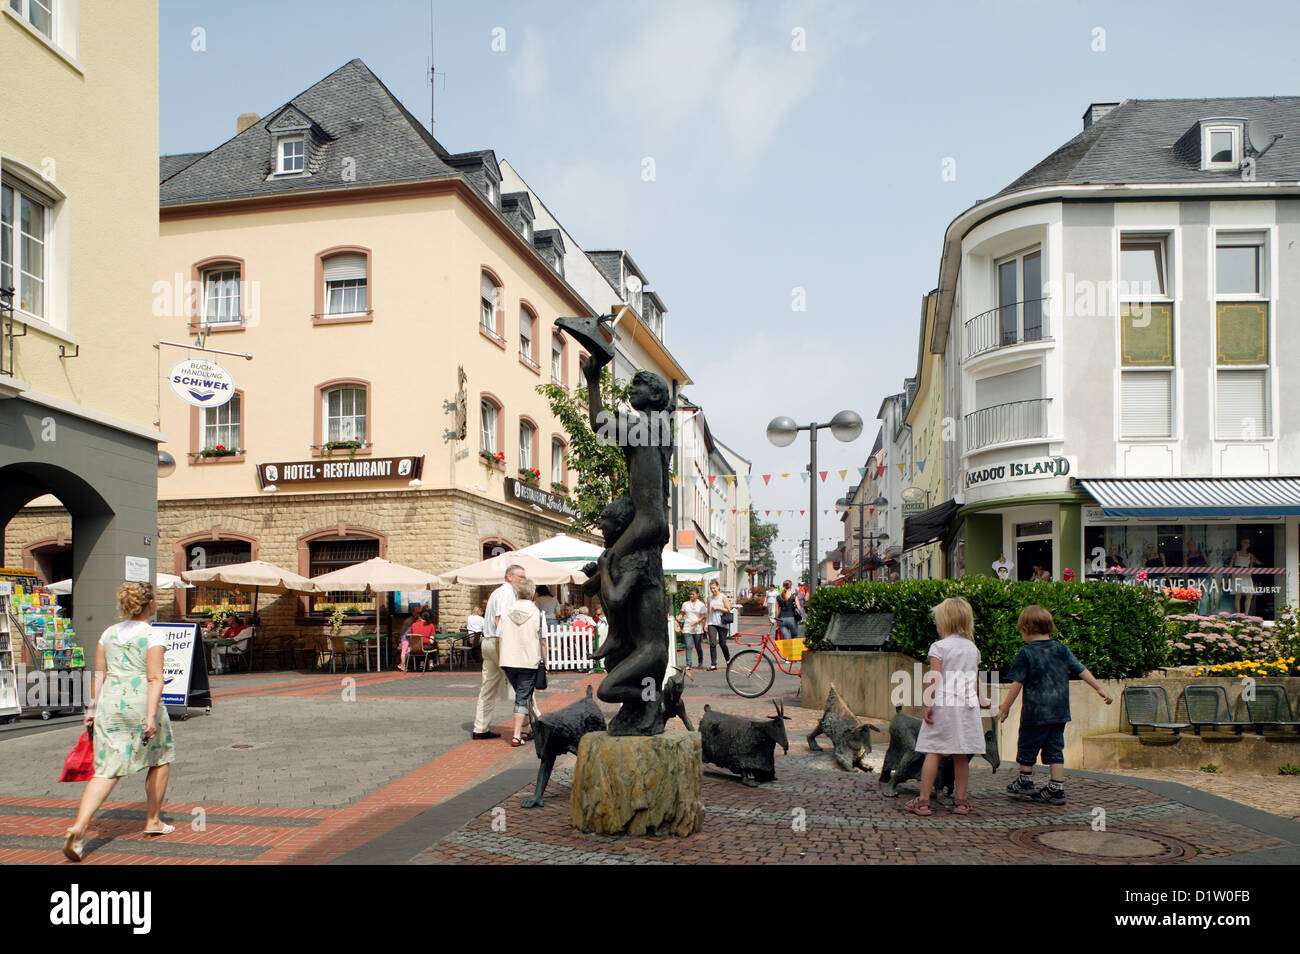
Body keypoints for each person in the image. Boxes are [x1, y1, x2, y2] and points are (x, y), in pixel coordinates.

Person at [63, 582, 176, 862]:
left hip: (110, 705)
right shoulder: (153, 636)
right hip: (140, 704)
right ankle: (153, 820)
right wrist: (150, 716)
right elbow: (154, 679)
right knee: (160, 758)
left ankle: (80, 827)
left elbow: (98, 675)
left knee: (106, 769)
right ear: (151, 604)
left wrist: (91, 710)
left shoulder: (108, 634)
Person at [998, 605, 1113, 805]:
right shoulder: (1061, 649)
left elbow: (1017, 683)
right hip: (1059, 711)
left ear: (1024, 629)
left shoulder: (1026, 653)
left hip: (1035, 713)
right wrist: (1099, 688)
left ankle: (1025, 781)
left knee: (1027, 745)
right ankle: (1056, 787)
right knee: (1055, 749)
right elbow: (1080, 669)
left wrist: (1005, 707)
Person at [904, 597, 992, 817]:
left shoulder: (939, 647)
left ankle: (923, 802)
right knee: (961, 755)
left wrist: (928, 704)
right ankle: (961, 801)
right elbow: (975, 679)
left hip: (944, 704)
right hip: (966, 706)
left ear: (944, 622)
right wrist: (983, 700)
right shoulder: (972, 649)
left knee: (932, 752)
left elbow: (934, 678)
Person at [472, 564, 529, 740]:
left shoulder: (498, 592)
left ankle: (480, 728)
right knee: (524, 683)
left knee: (487, 687)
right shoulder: (506, 593)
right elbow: (500, 621)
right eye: (521, 576)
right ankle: (534, 725)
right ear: (510, 576)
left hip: (487, 642)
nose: (523, 580)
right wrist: (510, 645)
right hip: (498, 643)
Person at [498, 578, 547, 747]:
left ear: (517, 593)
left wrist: (500, 657)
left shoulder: (505, 612)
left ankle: (531, 727)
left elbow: (499, 637)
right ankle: (517, 734)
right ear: (533, 594)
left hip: (508, 660)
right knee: (522, 697)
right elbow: (543, 641)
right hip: (528, 660)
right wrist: (545, 662)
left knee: (524, 695)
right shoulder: (537, 614)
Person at [676, 588, 707, 670]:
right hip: (687, 628)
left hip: (697, 628)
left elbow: (703, 616)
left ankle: (700, 661)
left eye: (693, 594)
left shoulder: (701, 604)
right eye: (690, 594)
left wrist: (696, 622)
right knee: (688, 646)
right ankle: (688, 664)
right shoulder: (685, 604)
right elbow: (682, 614)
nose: (691, 596)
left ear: (697, 594)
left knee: (698, 646)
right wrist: (677, 620)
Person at [705, 579, 732, 671]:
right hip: (712, 623)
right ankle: (713, 664)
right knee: (712, 643)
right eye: (711, 588)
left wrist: (718, 608)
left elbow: (728, 609)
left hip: (722, 623)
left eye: (714, 588)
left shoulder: (723, 597)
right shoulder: (709, 598)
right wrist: (706, 623)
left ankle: (728, 660)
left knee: (722, 644)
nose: (712, 590)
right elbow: (708, 612)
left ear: (718, 587)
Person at [1232, 538, 1259, 615]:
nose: (1246, 544)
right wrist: (1227, 578)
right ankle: (1238, 613)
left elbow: (1251, 567)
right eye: (1244, 542)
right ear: (1241, 543)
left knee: (1249, 594)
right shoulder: (1236, 554)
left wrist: (1251, 576)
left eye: (1248, 543)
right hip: (1238, 574)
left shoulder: (1250, 555)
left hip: (1246, 575)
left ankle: (1246, 613)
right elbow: (1231, 565)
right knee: (1238, 594)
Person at [397, 602, 423, 672]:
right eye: (417, 613)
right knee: (405, 651)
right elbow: (407, 633)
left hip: (411, 640)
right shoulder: (410, 621)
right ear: (413, 612)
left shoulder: (415, 621)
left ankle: (402, 664)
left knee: (408, 651)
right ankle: (402, 665)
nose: (418, 615)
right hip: (405, 639)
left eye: (419, 613)